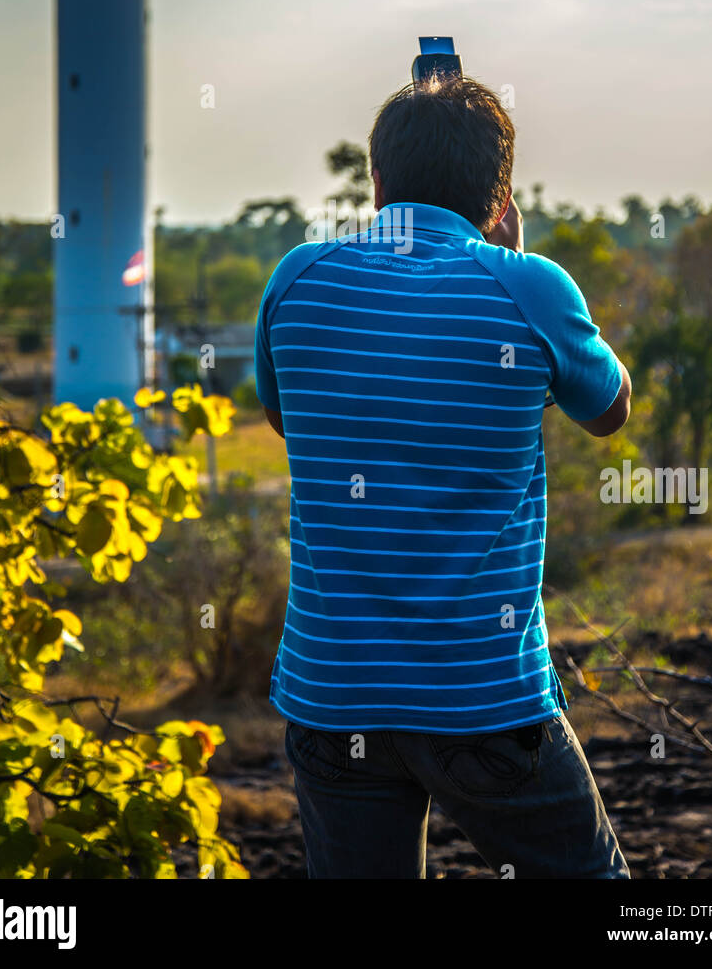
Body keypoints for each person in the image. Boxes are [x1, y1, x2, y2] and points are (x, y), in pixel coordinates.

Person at [254, 74, 631, 879]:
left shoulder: (294, 280)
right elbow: (609, 411)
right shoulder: (528, 285)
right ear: (501, 198)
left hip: (333, 697)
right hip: (483, 702)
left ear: (377, 183)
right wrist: (518, 270)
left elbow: (294, 422)